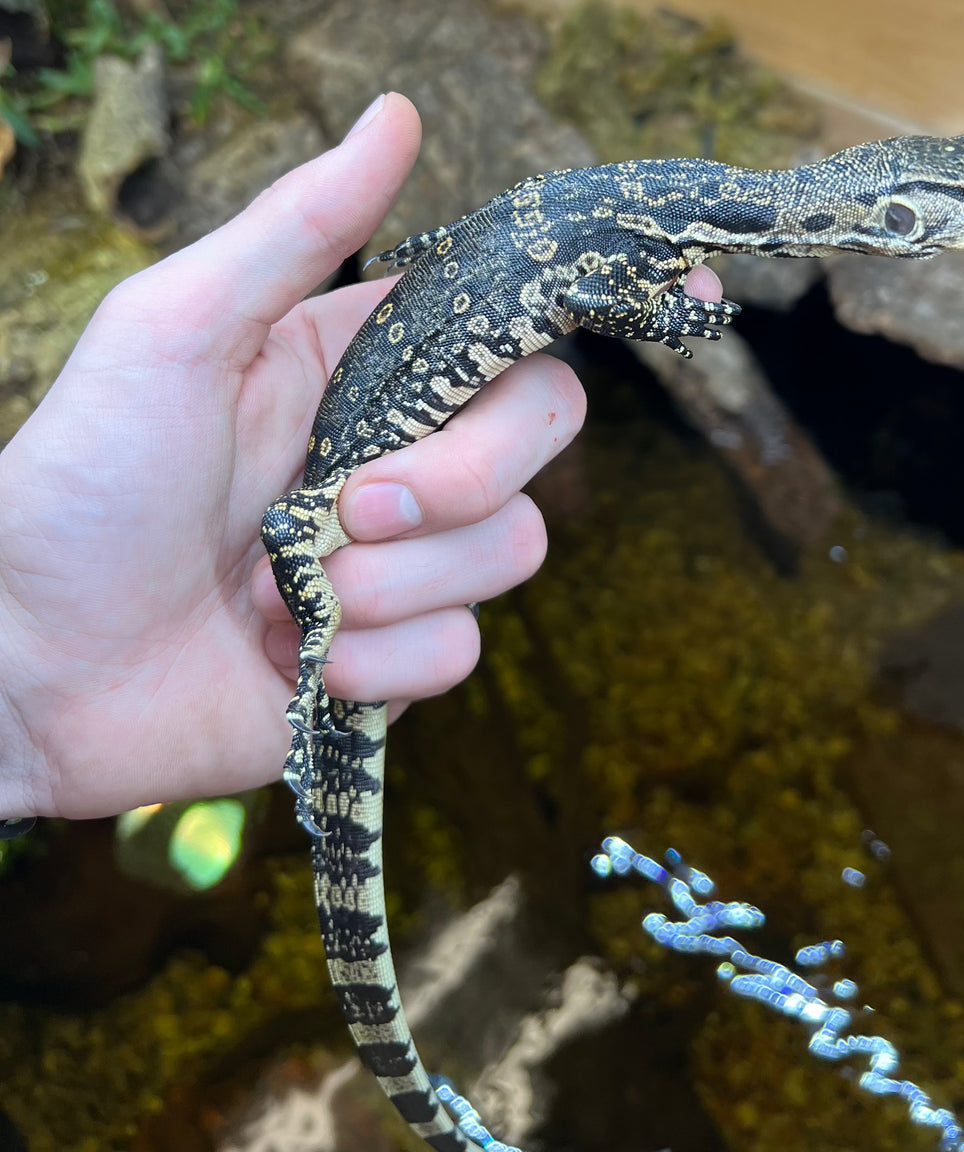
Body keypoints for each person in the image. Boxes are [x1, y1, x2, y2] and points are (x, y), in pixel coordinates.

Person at [0, 93, 722, 828]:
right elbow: (286, 530)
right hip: (317, 505)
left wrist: (29, 705)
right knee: (331, 544)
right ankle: (318, 659)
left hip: (334, 479)